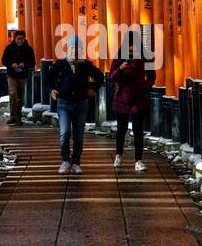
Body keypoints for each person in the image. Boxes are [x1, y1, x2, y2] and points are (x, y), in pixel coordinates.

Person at [43, 35, 104, 175]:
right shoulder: (60, 64)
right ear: (67, 49)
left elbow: (100, 77)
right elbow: (48, 80)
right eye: (72, 49)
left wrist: (93, 88)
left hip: (81, 103)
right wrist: (52, 89)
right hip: (64, 103)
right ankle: (65, 160)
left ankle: (76, 162)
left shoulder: (85, 64)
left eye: (77, 50)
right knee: (65, 132)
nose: (74, 52)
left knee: (79, 135)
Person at [107, 36, 156, 173]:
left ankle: (138, 160)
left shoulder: (145, 57)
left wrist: (145, 87)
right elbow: (111, 77)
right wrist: (120, 69)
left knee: (138, 129)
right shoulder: (119, 58)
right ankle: (119, 155)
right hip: (121, 97)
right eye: (129, 46)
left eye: (134, 46)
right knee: (121, 129)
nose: (132, 49)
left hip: (139, 97)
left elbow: (152, 76)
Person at [1, 29, 36, 126]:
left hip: (22, 75)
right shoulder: (9, 48)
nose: (20, 41)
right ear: (15, 39)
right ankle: (13, 116)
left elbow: (33, 62)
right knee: (13, 94)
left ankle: (18, 117)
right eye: (18, 39)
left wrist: (24, 64)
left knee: (20, 96)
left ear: (24, 39)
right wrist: (11, 64)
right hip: (11, 75)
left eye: (21, 39)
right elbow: (3, 60)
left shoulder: (28, 49)